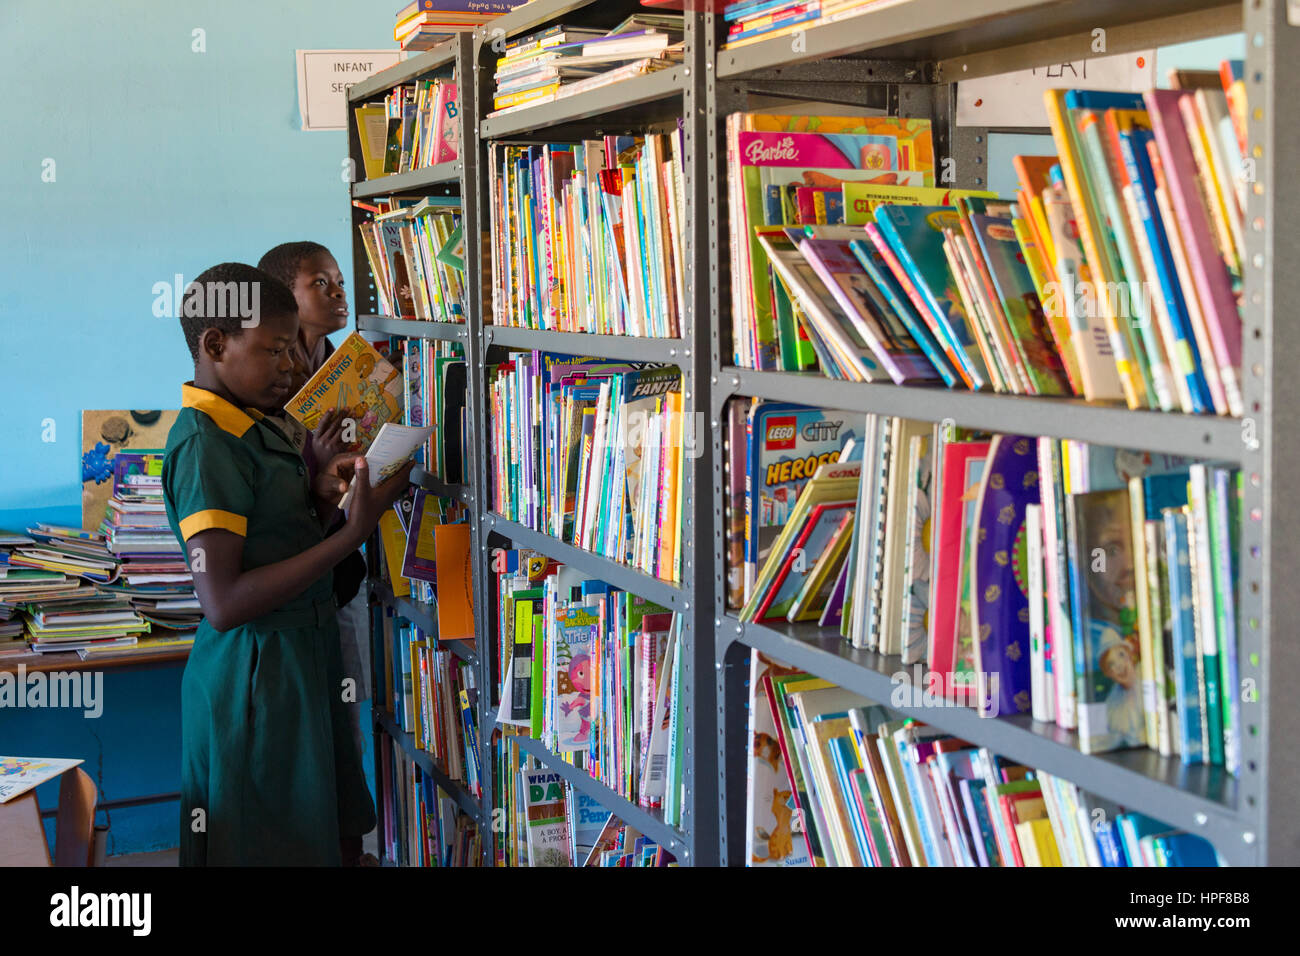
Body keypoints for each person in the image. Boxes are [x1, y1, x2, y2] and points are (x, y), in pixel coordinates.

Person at [163, 262, 413, 865]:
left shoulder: (257, 425)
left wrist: (324, 505)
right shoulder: (206, 444)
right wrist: (351, 533)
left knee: (333, 833)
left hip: (303, 657)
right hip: (256, 678)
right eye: (276, 350)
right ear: (216, 345)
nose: (294, 366)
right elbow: (223, 604)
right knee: (272, 842)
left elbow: (279, 542)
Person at [258, 241, 373, 824]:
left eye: (339, 282)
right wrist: (320, 463)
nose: (337, 293)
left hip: (347, 566)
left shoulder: (346, 364)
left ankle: (354, 837)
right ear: (283, 298)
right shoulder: (267, 382)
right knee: (321, 723)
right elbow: (277, 490)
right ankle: (335, 837)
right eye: (319, 285)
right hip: (299, 573)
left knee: (351, 709)